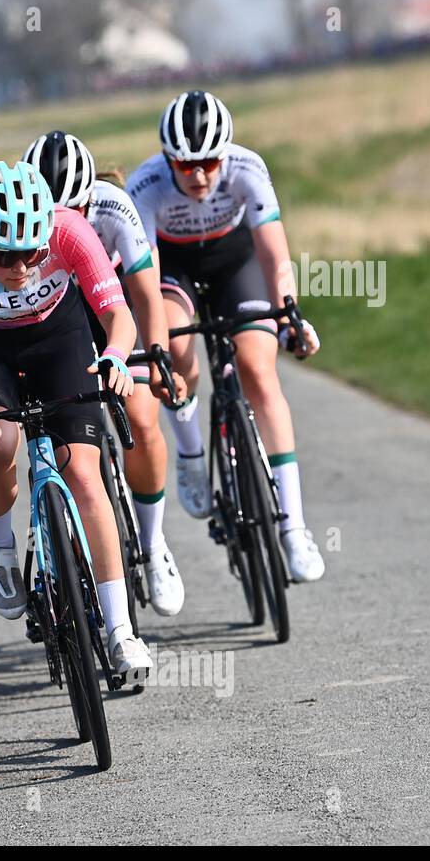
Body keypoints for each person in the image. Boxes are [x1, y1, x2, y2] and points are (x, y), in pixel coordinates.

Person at [0, 160, 152, 679]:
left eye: (32, 252)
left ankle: (122, 631)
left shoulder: (69, 231)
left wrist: (117, 357)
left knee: (83, 475)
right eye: (4, 256)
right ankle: (1, 551)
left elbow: (117, 315)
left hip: (60, 336)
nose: (21, 267)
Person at [127, 90, 325, 581]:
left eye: (209, 162)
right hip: (174, 267)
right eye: (186, 164)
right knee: (175, 346)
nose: (198, 175)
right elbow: (145, 279)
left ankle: (295, 528)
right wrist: (153, 349)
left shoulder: (247, 168)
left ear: (225, 154)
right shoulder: (146, 185)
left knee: (258, 368)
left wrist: (289, 314)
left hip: (234, 261)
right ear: (168, 159)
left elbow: (274, 253)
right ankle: (192, 454)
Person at [23, 131, 187, 617]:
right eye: (53, 212)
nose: (63, 224)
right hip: (53, 323)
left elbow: (145, 293)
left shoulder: (114, 207)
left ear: (90, 196)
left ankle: (154, 544)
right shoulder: (19, 219)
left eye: (74, 210)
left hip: (110, 310)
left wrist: (156, 357)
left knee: (141, 416)